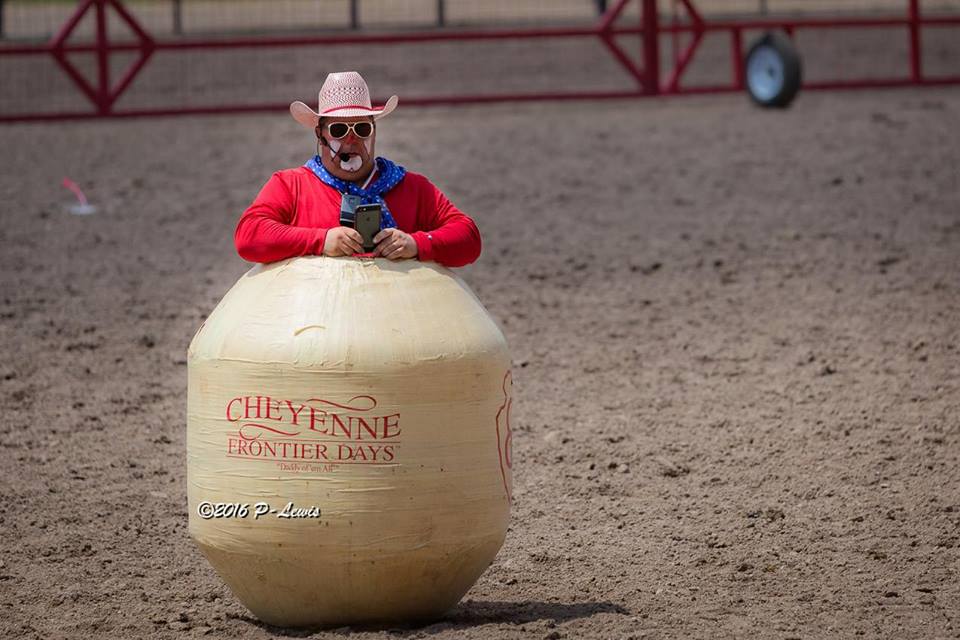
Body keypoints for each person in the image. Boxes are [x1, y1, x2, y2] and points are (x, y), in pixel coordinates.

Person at [234, 71, 481, 268]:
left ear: (374, 132)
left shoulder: (413, 187)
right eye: (339, 130)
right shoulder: (290, 185)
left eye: (362, 129)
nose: (351, 140)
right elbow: (249, 236)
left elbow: (468, 238)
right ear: (320, 135)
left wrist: (415, 243)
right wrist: (321, 240)